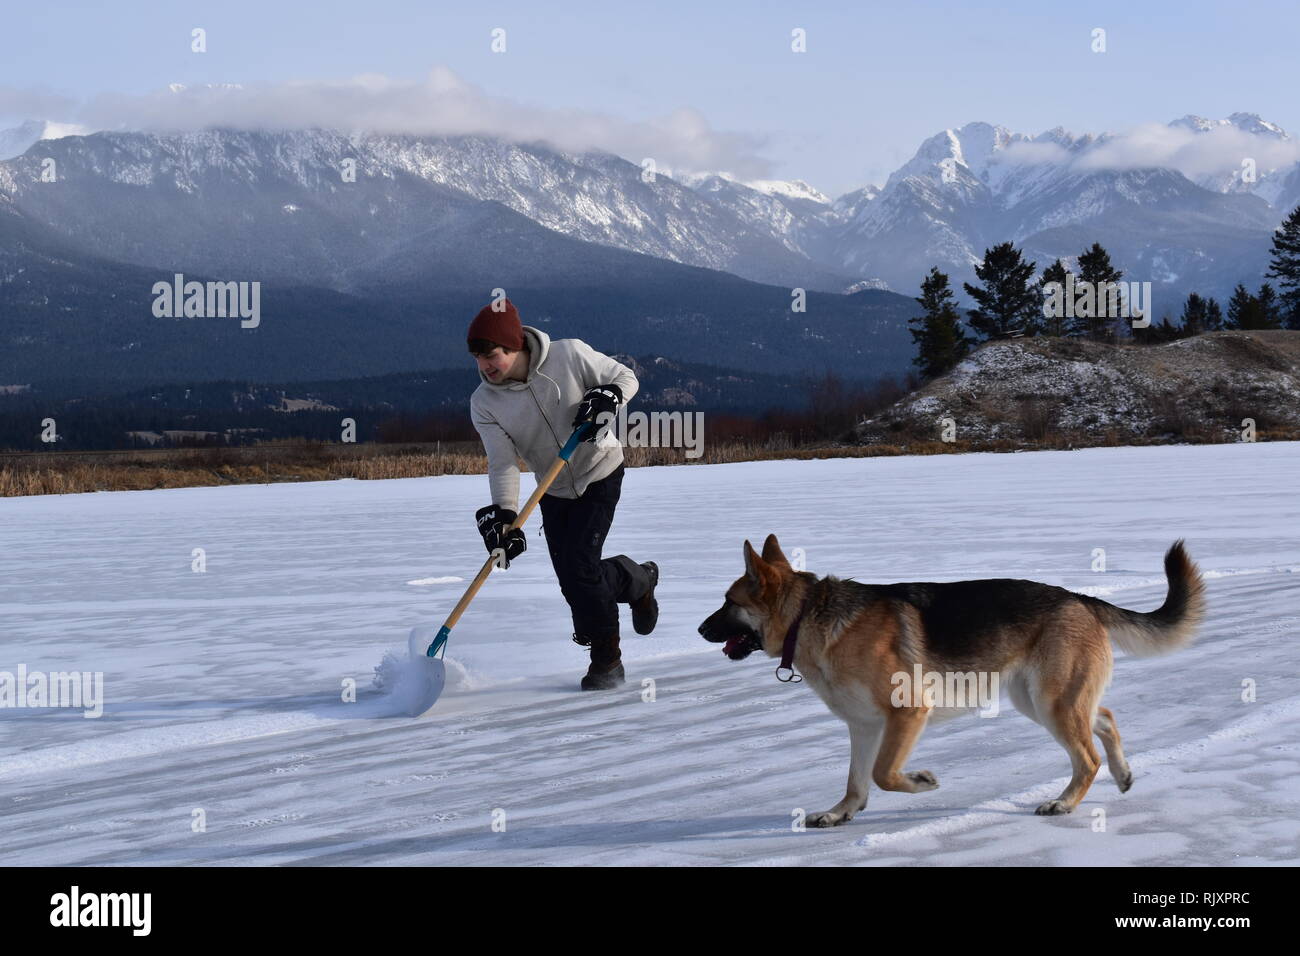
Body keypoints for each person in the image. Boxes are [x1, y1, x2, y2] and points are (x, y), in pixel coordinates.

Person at [467, 297, 658, 690]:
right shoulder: (484, 403)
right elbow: (502, 462)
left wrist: (609, 398)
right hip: (551, 487)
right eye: (479, 358)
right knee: (571, 580)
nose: (486, 366)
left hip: (599, 471)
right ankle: (635, 580)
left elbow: (626, 377)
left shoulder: (569, 355)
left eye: (493, 354)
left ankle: (607, 661)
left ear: (514, 344)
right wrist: (505, 516)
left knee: (582, 569)